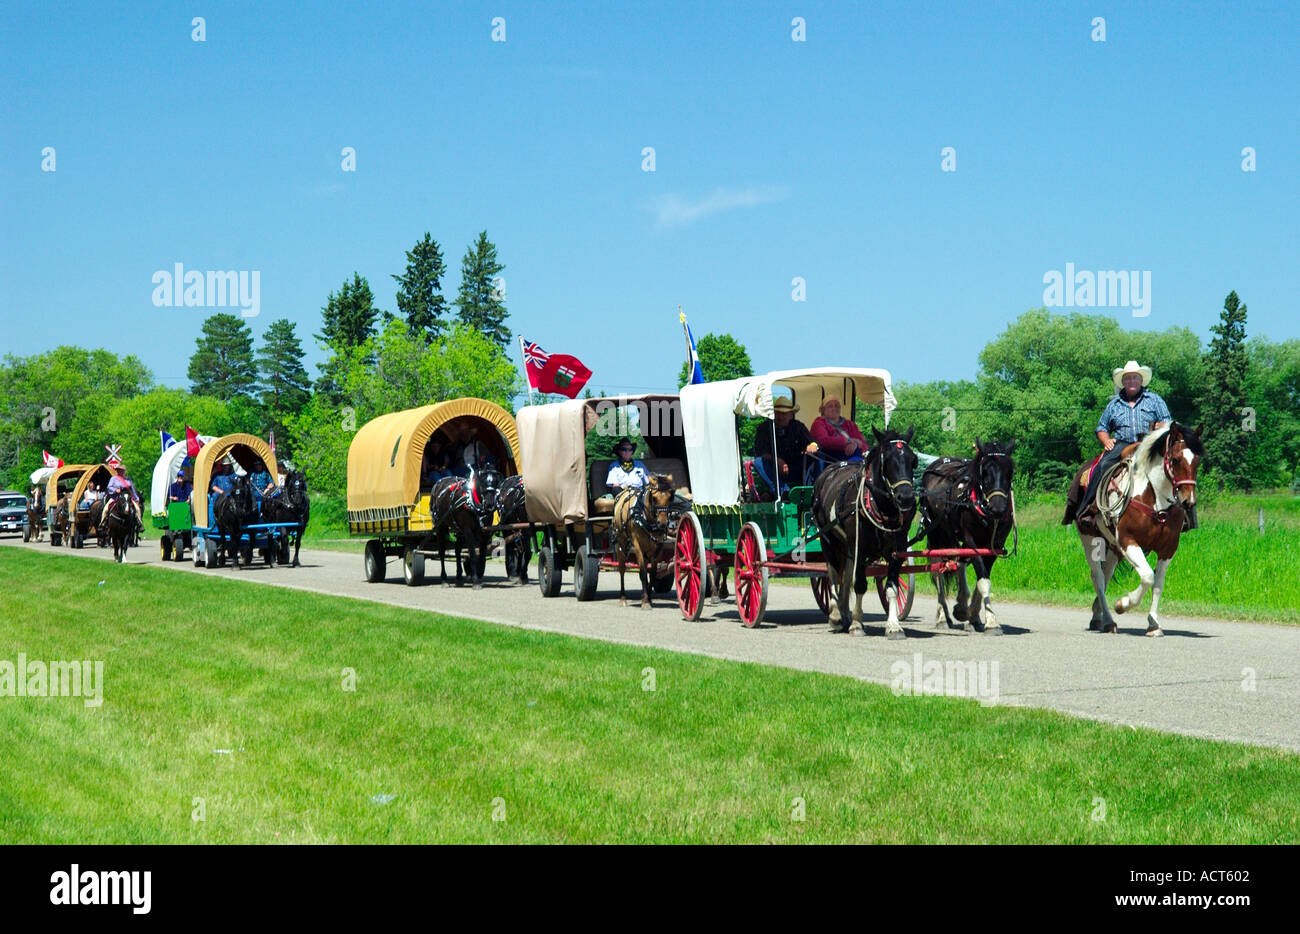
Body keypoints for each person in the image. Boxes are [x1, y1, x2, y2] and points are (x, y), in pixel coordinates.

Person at [1071, 360, 1171, 521]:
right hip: (1122, 444)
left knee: (1176, 467)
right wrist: (1105, 440)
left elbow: (1168, 421)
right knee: (1103, 465)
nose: (1132, 381)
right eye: (1128, 378)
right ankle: (1088, 508)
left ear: (1141, 380)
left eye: (1135, 378)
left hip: (1149, 443)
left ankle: (1185, 514)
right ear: (1123, 382)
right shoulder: (1114, 404)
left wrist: (1162, 425)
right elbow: (1102, 427)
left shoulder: (1154, 400)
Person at [753, 398, 818, 495]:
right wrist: (776, 460)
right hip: (775, 471)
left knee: (818, 457)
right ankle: (783, 492)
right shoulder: (764, 428)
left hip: (797, 468)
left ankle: (813, 491)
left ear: (791, 414)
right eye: (778, 413)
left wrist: (812, 446)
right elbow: (760, 452)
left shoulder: (798, 426)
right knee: (758, 462)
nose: (781, 416)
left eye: (784, 413)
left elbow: (812, 442)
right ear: (773, 414)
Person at [810, 396, 866, 465]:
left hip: (854, 456)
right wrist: (847, 441)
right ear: (823, 410)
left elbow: (863, 444)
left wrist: (855, 444)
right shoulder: (819, 423)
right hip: (830, 459)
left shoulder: (850, 424)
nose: (834, 408)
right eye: (830, 406)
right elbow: (823, 441)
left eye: (837, 406)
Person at [106, 465, 143, 532]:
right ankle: (103, 523)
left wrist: (136, 499)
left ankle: (139, 524)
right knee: (105, 509)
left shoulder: (128, 479)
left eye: (122, 470)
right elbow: (109, 487)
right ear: (117, 471)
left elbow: (133, 490)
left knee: (137, 509)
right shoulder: (113, 479)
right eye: (119, 470)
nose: (121, 472)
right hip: (116, 497)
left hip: (128, 498)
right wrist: (115, 490)